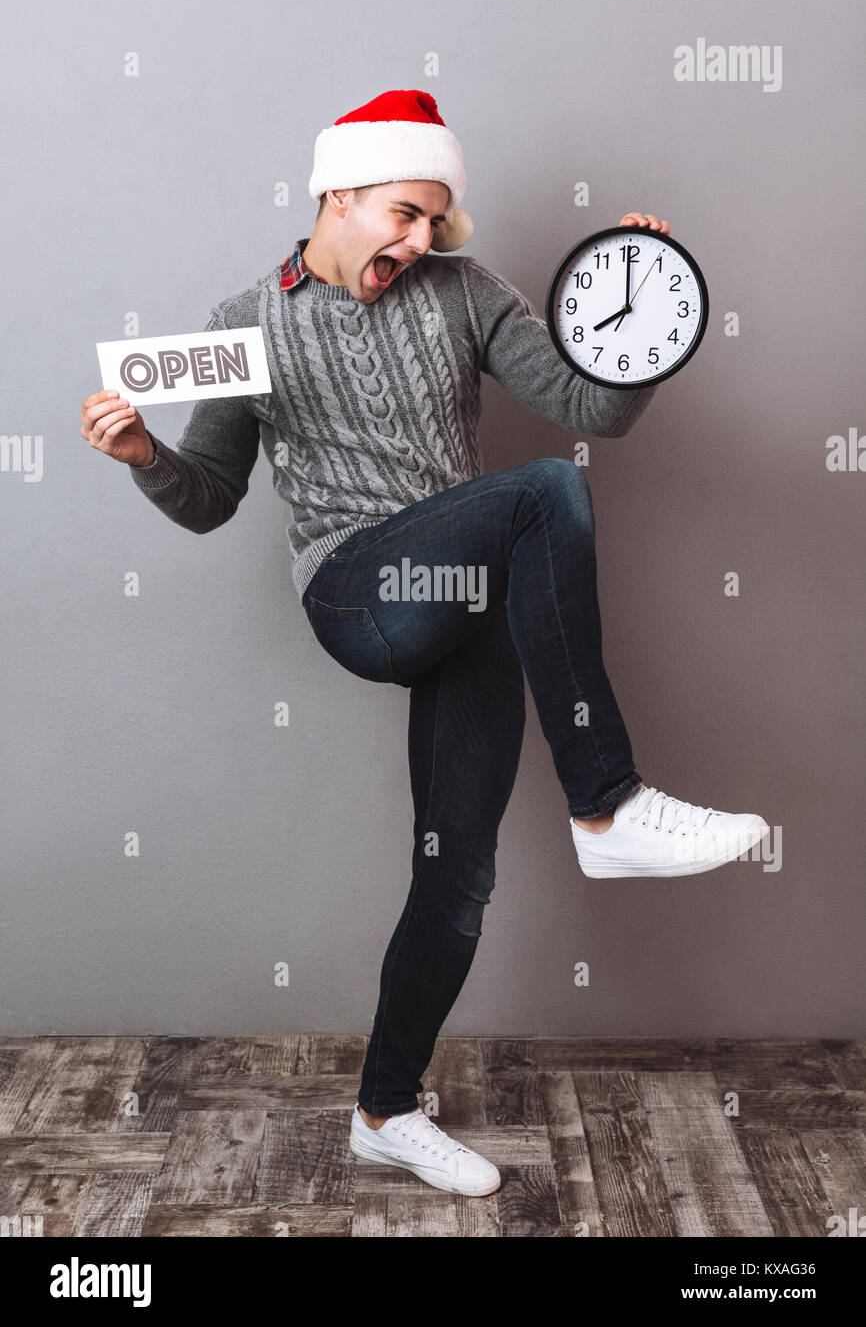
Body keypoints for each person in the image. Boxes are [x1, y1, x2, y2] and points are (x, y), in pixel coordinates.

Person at [80, 88, 769, 1199]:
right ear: (338, 194)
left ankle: (384, 1111)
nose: (419, 239)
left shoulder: (463, 292)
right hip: (359, 593)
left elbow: (586, 405)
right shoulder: (244, 319)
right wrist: (142, 455)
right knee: (543, 492)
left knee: (455, 874)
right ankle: (606, 801)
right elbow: (208, 497)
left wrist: (651, 315)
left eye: (434, 221)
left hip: (471, 592)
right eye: (402, 213)